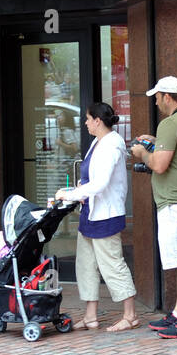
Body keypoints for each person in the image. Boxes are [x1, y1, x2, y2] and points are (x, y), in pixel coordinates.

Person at [131, 76, 177, 339]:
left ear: (167, 96)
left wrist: (143, 153)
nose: (155, 101)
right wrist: (156, 140)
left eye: (157, 96)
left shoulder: (170, 123)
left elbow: (160, 165)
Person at [55, 102, 139, 332]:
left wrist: (72, 194)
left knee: (112, 264)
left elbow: (101, 184)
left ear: (98, 121)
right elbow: (94, 180)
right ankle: (90, 316)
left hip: (105, 215)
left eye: (88, 119)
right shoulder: (98, 142)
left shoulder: (111, 145)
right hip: (91, 213)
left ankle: (130, 315)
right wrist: (82, 190)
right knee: (86, 264)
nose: (85, 123)